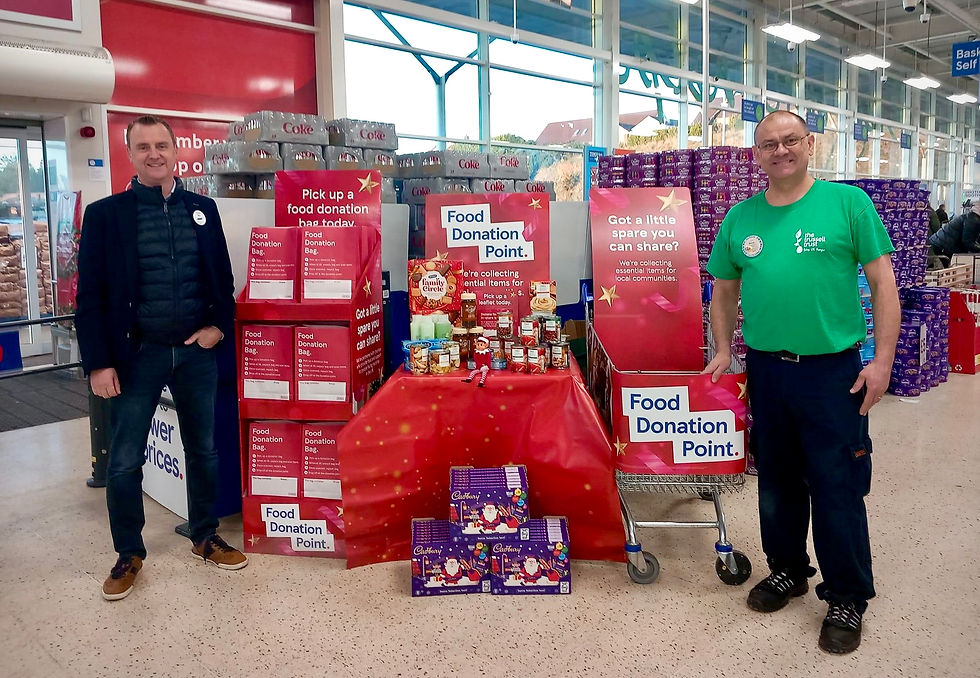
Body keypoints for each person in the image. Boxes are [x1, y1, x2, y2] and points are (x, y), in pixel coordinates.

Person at [703, 110, 900, 655]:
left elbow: (884, 284)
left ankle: (846, 594)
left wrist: (881, 361)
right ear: (757, 154)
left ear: (809, 145)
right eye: (768, 144)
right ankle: (788, 569)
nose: (780, 150)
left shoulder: (846, 205)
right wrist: (724, 348)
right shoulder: (741, 218)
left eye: (790, 140)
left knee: (837, 486)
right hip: (767, 370)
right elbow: (723, 290)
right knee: (778, 483)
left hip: (832, 372)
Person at [76, 115, 247, 602]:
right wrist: (98, 363)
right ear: (130, 154)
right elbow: (89, 296)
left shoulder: (203, 209)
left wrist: (218, 327)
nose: (154, 153)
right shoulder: (108, 215)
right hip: (136, 356)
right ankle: (129, 552)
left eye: (162, 145)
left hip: (195, 353)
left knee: (204, 451)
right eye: (143, 146)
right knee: (126, 461)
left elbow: (222, 281)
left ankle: (204, 534)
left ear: (176, 151)